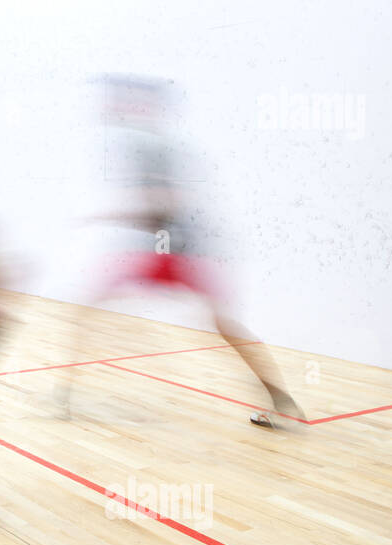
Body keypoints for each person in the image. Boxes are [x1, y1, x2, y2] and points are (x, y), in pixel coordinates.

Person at [59, 74, 305, 429]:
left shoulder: (150, 150)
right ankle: (280, 399)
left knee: (89, 308)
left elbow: (164, 207)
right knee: (222, 324)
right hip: (182, 251)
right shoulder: (156, 146)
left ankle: (64, 397)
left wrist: (108, 215)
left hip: (175, 253)